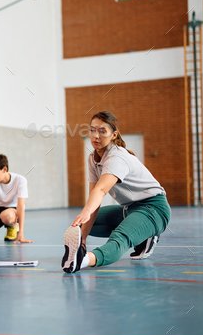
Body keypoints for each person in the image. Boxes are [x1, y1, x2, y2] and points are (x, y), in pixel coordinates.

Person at [62, 111, 171, 273]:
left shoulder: (117, 157)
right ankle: (142, 234)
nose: (95, 135)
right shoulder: (93, 158)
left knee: (120, 237)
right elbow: (94, 196)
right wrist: (82, 240)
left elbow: (101, 189)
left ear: (113, 135)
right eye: (92, 130)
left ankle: (83, 260)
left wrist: (86, 211)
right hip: (129, 210)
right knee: (82, 224)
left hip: (153, 209)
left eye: (102, 131)